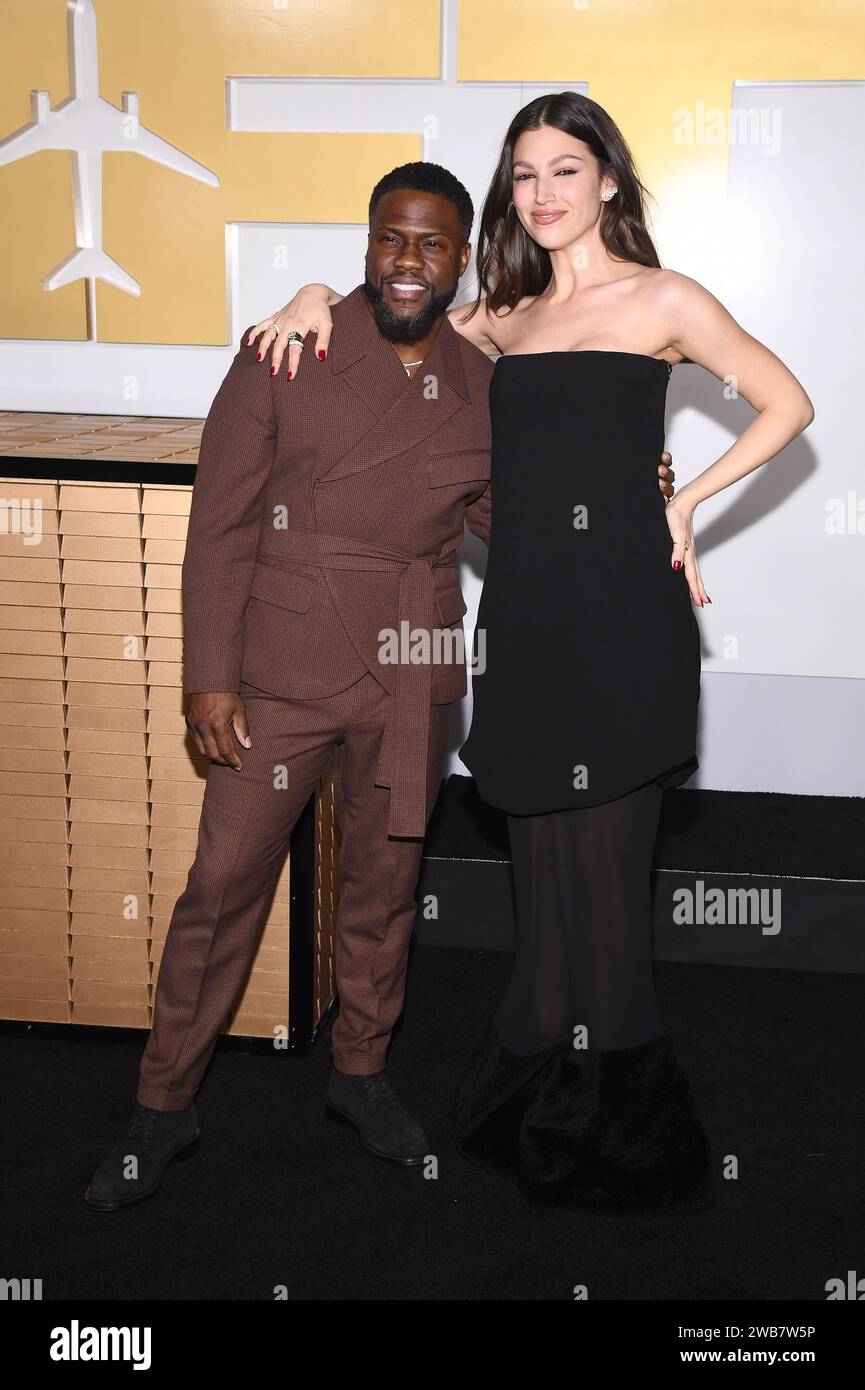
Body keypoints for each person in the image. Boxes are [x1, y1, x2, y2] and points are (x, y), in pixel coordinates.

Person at [246, 91, 813, 1216]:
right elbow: (387, 317)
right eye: (523, 174)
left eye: (565, 168)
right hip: (528, 620)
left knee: (606, 874)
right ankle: (537, 1089)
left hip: (623, 624)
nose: (543, 192)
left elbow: (787, 401)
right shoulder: (499, 316)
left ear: (608, 179)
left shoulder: (665, 299)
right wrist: (313, 290)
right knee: (545, 871)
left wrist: (686, 499)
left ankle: (623, 1128)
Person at [83, 157, 678, 1212]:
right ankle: (163, 1106)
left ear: (460, 259)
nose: (408, 262)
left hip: (414, 668)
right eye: (390, 240)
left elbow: (522, 516)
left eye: (431, 244)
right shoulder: (287, 350)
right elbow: (219, 525)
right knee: (221, 890)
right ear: (368, 246)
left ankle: (359, 1076)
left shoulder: (482, 381)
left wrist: (631, 491)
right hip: (281, 672)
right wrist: (208, 680)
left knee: (383, 891)